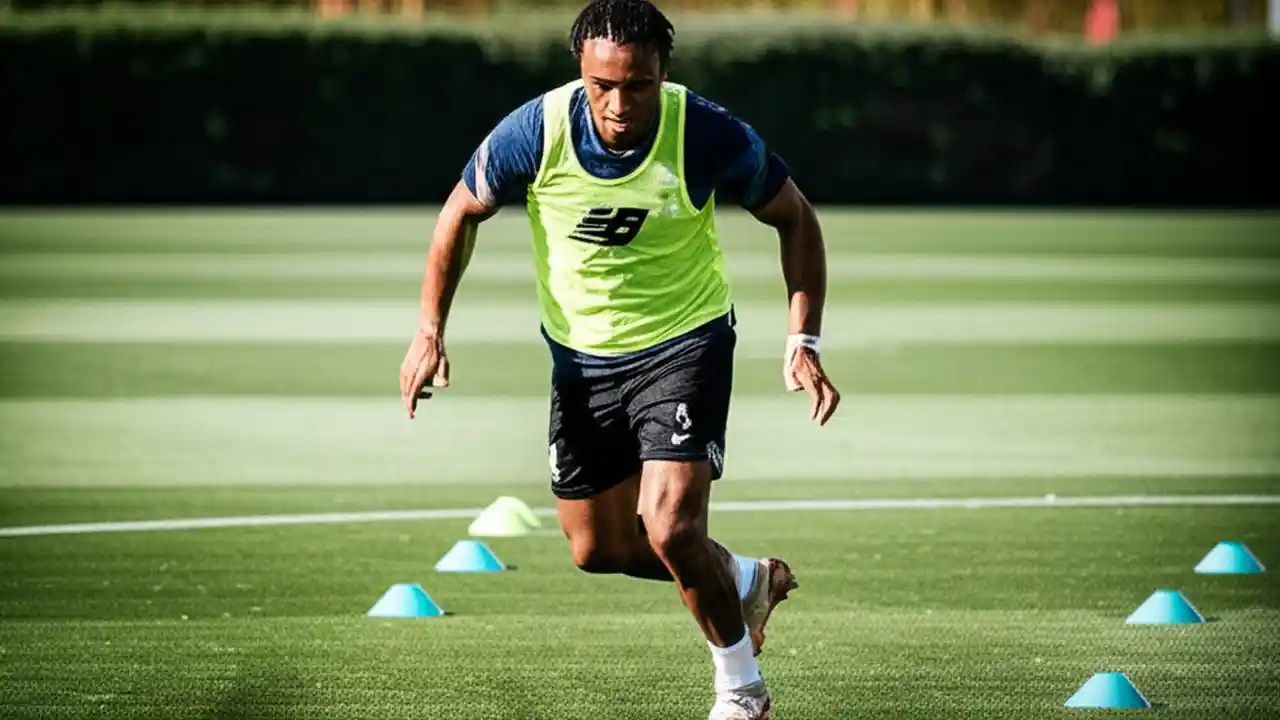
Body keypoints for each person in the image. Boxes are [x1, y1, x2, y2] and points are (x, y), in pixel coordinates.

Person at [398, 1, 840, 717]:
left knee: (669, 527)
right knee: (598, 550)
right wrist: (429, 331)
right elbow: (459, 213)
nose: (618, 102)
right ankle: (743, 577)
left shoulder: (701, 129)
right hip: (581, 362)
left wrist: (804, 341)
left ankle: (742, 691)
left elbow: (796, 216)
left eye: (636, 85)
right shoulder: (534, 131)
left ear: (662, 74)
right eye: (602, 84)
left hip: (684, 343)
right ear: (581, 71)